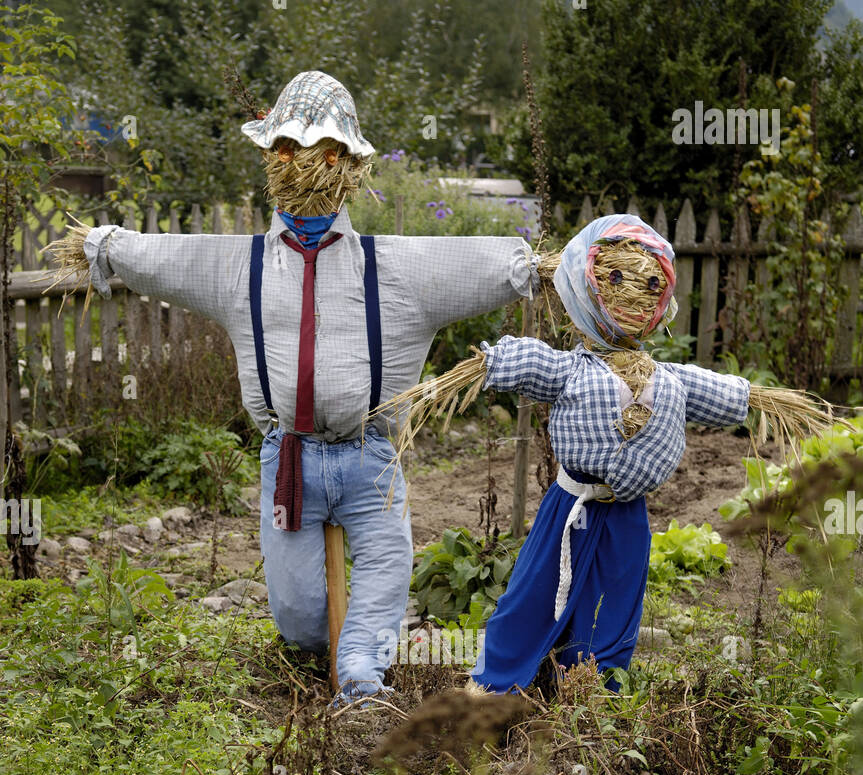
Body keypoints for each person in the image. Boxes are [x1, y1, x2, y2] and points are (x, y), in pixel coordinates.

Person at [52, 70, 548, 701]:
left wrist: (535, 270)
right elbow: (166, 256)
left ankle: (363, 686)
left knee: (387, 575)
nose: (299, 163)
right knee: (297, 614)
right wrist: (105, 247)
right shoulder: (242, 267)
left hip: (371, 459)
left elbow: (473, 264)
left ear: (348, 165)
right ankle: (324, 655)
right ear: (270, 160)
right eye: (283, 149)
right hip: (288, 459)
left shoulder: (392, 265)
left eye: (321, 151)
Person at [373, 213, 830, 694]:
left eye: (651, 281)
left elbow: (726, 392)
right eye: (613, 277)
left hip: (629, 514)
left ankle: (594, 690)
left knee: (616, 599)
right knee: (534, 593)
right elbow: (524, 360)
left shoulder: (669, 377)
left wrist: (771, 402)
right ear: (590, 289)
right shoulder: (571, 370)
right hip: (570, 506)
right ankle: (493, 686)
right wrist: (464, 375)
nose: (635, 290)